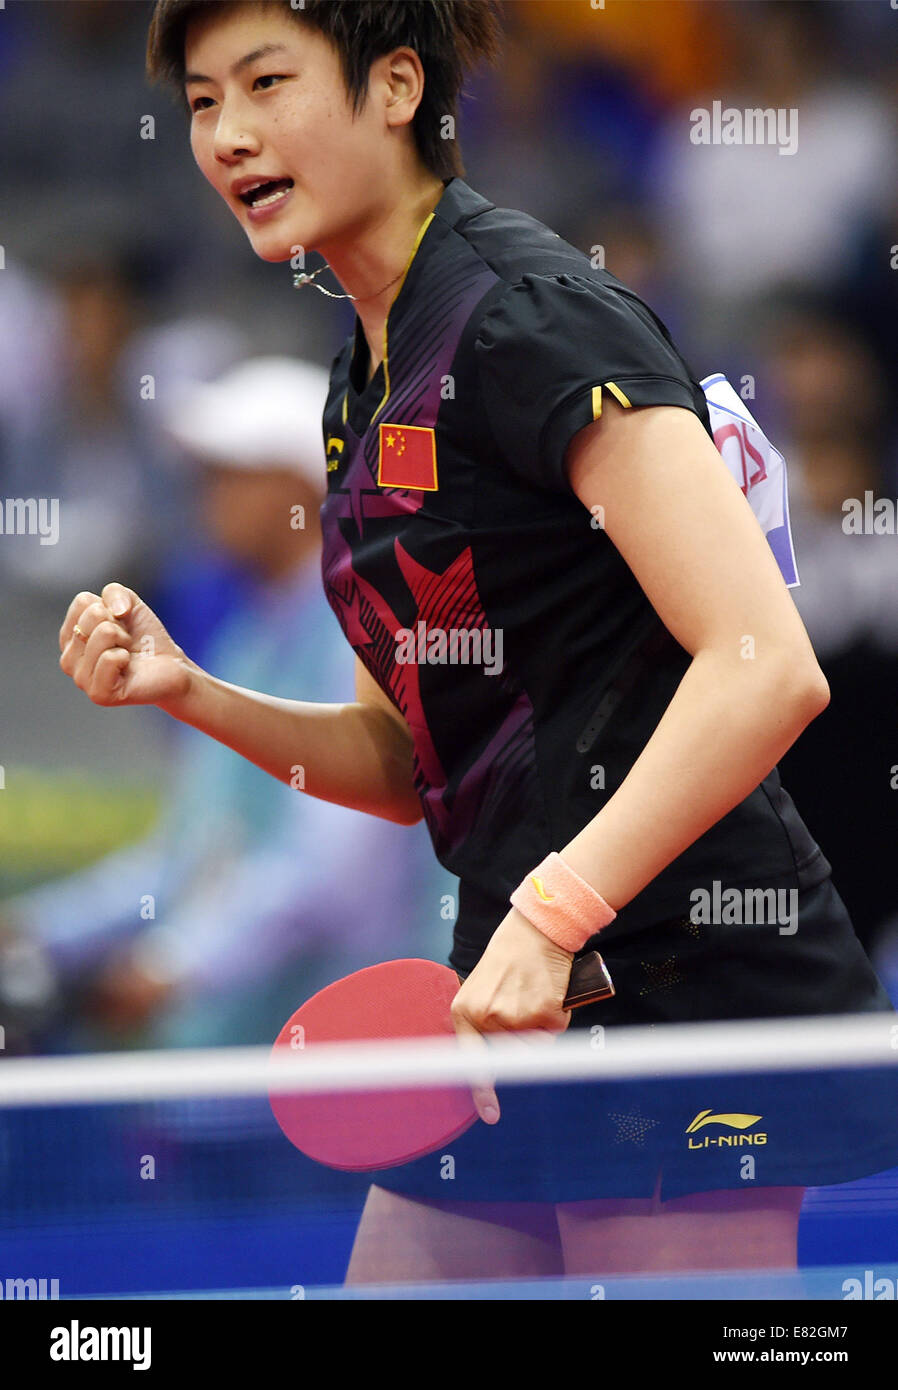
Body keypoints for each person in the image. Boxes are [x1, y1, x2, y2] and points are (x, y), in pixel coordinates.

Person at [58, 0, 897, 1282]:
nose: (228, 134)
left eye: (266, 83)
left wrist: (556, 913)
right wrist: (191, 691)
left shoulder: (533, 318)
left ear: (396, 86)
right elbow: (403, 761)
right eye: (203, 104)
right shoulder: (364, 386)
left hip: (682, 976)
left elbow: (765, 661)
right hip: (514, 992)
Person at [4, 354, 454, 1052]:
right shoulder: (249, 639)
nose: (206, 491)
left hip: (357, 1065)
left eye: (231, 471)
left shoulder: (361, 629)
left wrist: (169, 966)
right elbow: (186, 855)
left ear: (297, 485)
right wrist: (38, 931)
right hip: (233, 1067)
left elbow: (328, 879)